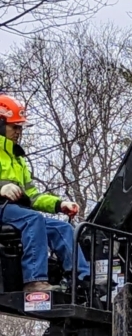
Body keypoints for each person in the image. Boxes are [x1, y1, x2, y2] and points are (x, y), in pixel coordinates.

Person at [0, 95, 86, 312]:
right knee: (33, 219)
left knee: (62, 228)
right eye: (14, 127)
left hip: (16, 212)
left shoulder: (17, 159)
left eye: (20, 128)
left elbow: (33, 196)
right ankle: (34, 281)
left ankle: (84, 279)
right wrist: (1, 188)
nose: (18, 132)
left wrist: (59, 204)